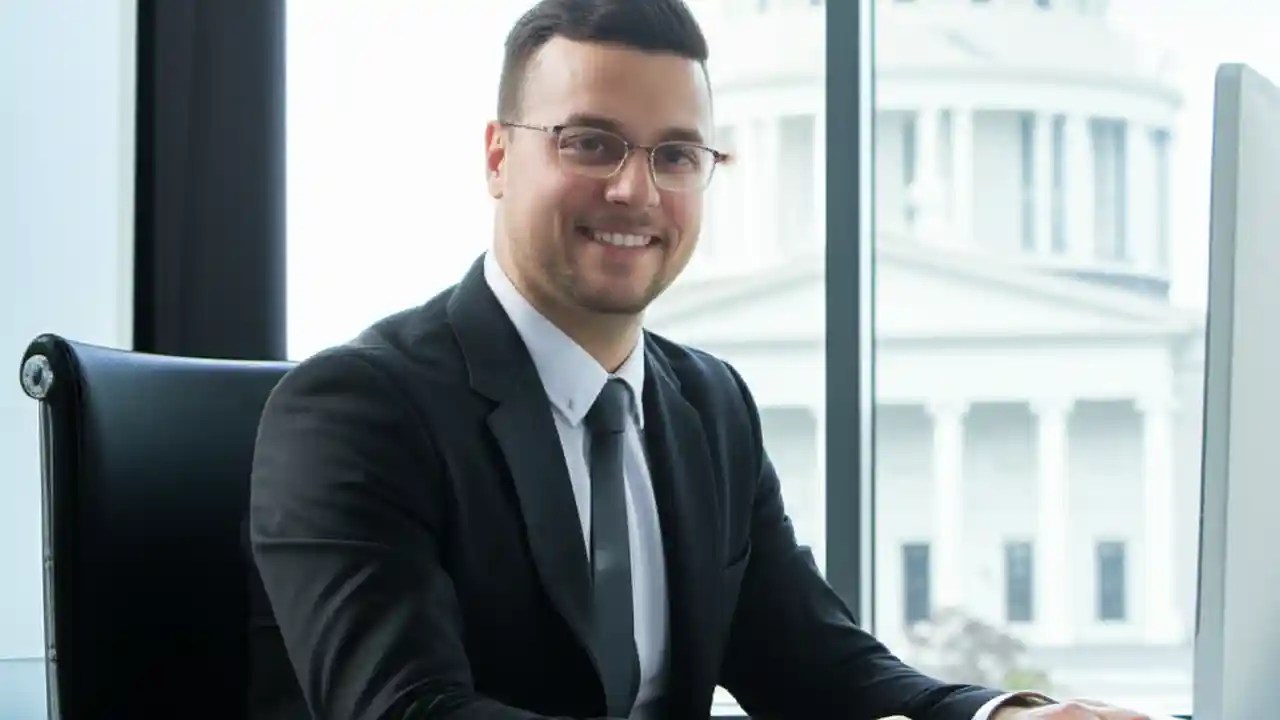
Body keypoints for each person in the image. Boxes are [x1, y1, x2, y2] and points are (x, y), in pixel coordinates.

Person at [249, 1, 1154, 718]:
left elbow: (817, 668)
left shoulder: (707, 406)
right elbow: (408, 709)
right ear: (497, 156)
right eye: (589, 141)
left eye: (677, 154)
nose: (634, 190)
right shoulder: (355, 410)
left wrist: (1004, 716)